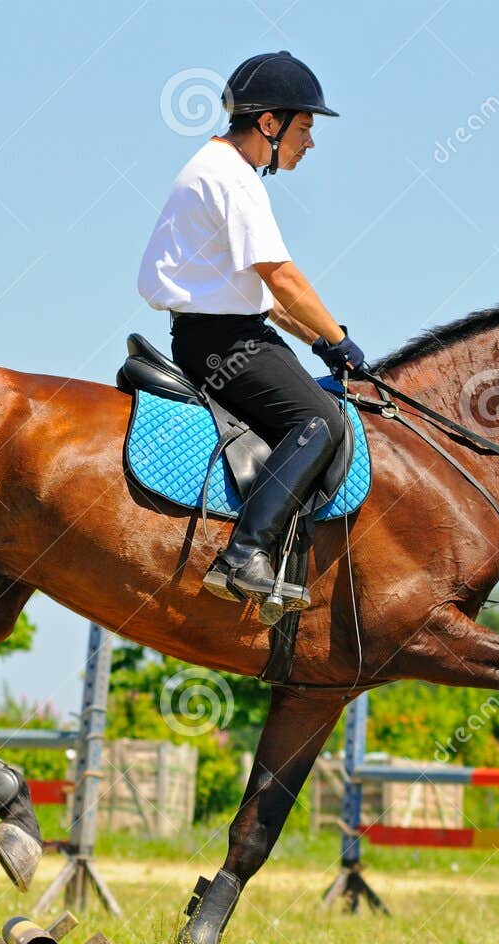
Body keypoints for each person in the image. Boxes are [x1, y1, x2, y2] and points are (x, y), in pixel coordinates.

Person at [137, 50, 363, 615]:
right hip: (226, 345)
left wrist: (318, 341)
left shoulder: (218, 171)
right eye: (305, 128)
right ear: (270, 123)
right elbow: (281, 277)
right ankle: (245, 552)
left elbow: (260, 296)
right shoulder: (233, 179)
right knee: (319, 420)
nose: (309, 143)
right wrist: (337, 338)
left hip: (222, 332)